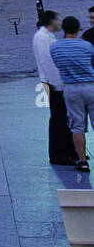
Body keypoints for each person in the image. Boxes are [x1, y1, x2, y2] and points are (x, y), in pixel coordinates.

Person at [50, 15, 94, 172]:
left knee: (77, 126)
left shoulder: (55, 47)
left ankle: (82, 161)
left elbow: (57, 64)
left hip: (71, 88)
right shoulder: (87, 46)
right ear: (77, 30)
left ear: (64, 29)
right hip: (90, 85)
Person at [35, 11, 78, 165]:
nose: (59, 22)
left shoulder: (48, 37)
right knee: (58, 119)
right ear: (51, 21)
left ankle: (68, 150)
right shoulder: (42, 38)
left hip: (56, 83)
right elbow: (48, 63)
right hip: (53, 84)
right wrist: (58, 86)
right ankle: (58, 154)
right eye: (57, 19)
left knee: (63, 117)